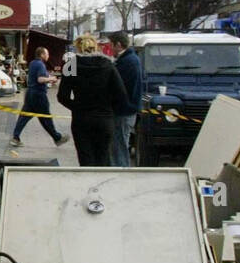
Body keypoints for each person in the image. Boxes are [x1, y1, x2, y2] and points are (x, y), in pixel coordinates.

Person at [58, 33, 127, 167]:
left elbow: (62, 96)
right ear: (95, 47)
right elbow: (121, 95)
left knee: (86, 159)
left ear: (77, 48)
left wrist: (77, 107)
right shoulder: (107, 65)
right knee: (103, 158)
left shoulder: (71, 65)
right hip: (105, 119)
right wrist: (109, 109)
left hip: (81, 120)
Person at [10, 47, 69, 148]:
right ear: (42, 55)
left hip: (30, 93)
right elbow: (40, 79)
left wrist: (48, 76)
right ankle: (57, 138)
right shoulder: (41, 64)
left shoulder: (33, 63)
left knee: (24, 116)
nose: (48, 56)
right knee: (46, 117)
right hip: (39, 94)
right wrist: (51, 78)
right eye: (47, 54)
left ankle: (15, 137)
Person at [107, 31, 143, 166]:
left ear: (118, 45)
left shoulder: (127, 62)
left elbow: (118, 87)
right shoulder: (131, 59)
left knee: (119, 147)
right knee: (119, 144)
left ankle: (120, 174)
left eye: (111, 45)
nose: (110, 49)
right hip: (126, 110)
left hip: (123, 111)